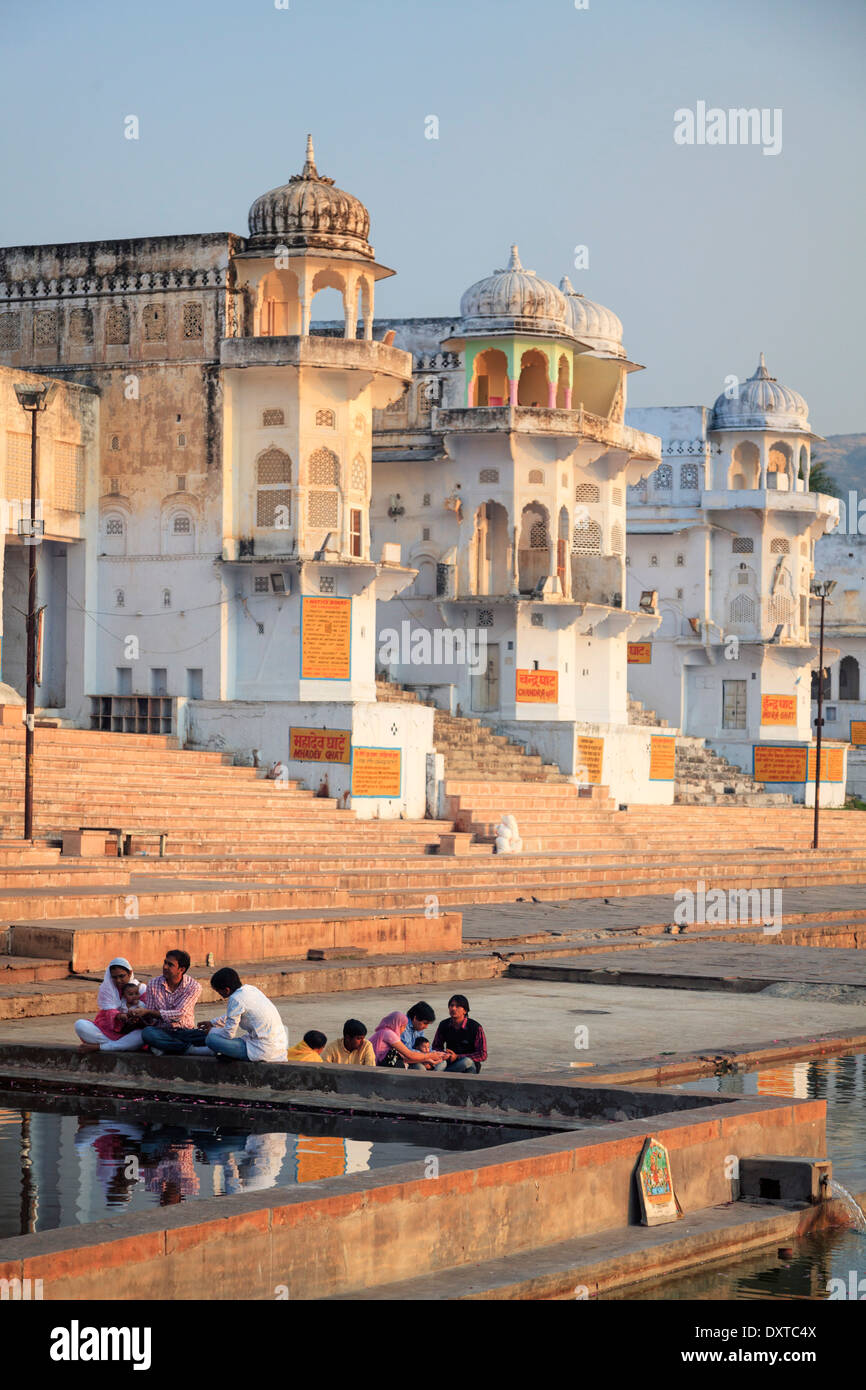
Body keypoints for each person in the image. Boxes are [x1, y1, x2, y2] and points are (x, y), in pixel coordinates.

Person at [202, 968, 288, 1062]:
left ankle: (197, 1050)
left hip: (262, 1050)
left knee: (211, 1039)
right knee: (235, 1040)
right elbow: (234, 1015)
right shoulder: (250, 989)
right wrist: (213, 1023)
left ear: (227, 990)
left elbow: (228, 1034)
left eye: (218, 991)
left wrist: (212, 1031)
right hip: (279, 1048)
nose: (219, 994)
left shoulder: (235, 999)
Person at [134, 951, 204, 1055]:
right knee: (147, 1033)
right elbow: (151, 1018)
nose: (165, 967)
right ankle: (188, 1049)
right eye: (165, 962)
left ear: (181, 969)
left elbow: (179, 1014)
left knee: (209, 1036)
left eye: (170, 965)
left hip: (185, 1031)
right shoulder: (153, 983)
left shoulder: (193, 986)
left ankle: (166, 1046)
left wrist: (148, 1012)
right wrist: (140, 1015)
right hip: (162, 1031)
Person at [73, 958, 148, 1050]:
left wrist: (137, 1016)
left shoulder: (141, 989)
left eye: (121, 976)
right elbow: (109, 1012)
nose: (118, 980)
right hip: (108, 1030)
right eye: (114, 977)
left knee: (143, 1034)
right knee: (80, 1025)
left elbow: (148, 1014)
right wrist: (119, 1016)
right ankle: (118, 1046)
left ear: (130, 973)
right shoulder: (107, 989)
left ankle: (101, 1047)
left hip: (132, 1031)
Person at [368, 1011, 447, 1068]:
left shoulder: (386, 1032)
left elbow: (403, 1057)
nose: (404, 1029)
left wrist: (427, 1059)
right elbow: (409, 1054)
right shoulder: (388, 1033)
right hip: (372, 1067)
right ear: (397, 1024)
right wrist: (431, 1055)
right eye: (403, 1026)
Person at [431, 995, 487, 1073]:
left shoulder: (475, 1027)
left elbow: (482, 1055)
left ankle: (443, 1074)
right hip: (450, 1062)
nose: (453, 1008)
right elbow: (436, 1047)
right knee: (440, 1064)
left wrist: (457, 1057)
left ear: (465, 1011)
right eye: (451, 1005)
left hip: (470, 1064)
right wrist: (444, 1055)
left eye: (458, 1006)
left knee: (466, 1062)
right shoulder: (444, 1025)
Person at [401, 1002, 437, 1071]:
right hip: (405, 1061)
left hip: (419, 1057)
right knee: (420, 1068)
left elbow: (424, 1045)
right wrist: (427, 1057)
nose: (426, 1027)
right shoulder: (403, 1026)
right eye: (425, 1023)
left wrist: (436, 1054)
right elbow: (407, 1052)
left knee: (442, 1062)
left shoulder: (418, 1027)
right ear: (415, 1018)